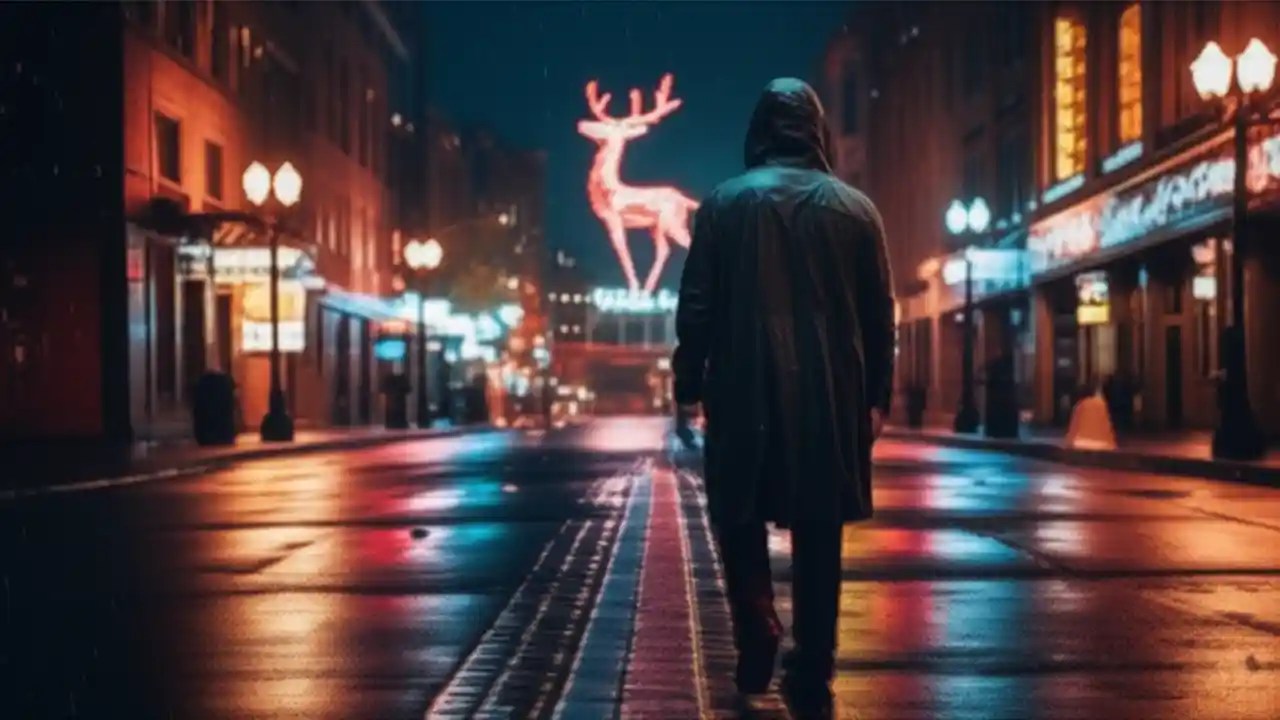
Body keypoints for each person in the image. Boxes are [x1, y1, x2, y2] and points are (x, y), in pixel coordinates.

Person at [672, 77, 895, 718]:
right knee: (819, 530)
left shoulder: (722, 205)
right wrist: (877, 394)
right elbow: (880, 314)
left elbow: (698, 306)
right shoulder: (857, 210)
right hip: (830, 390)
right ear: (817, 131)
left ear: (760, 130)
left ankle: (756, 621)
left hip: (742, 385)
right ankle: (813, 662)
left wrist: (689, 381)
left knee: (737, 511)